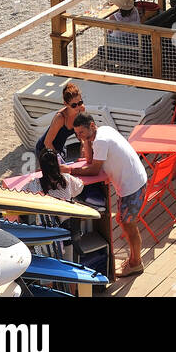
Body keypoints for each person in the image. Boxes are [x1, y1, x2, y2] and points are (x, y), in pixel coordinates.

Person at [69, 115, 148, 277]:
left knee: (129, 226)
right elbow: (90, 159)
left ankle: (136, 264)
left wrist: (68, 170)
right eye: (76, 134)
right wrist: (85, 139)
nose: (79, 136)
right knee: (123, 221)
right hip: (134, 181)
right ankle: (134, 260)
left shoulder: (100, 141)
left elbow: (93, 170)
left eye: (82, 132)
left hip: (131, 186)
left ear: (92, 125)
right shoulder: (104, 130)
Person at [35, 81, 86, 159]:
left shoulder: (81, 109)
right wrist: (58, 159)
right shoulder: (60, 118)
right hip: (45, 148)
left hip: (60, 147)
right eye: (74, 105)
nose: (78, 107)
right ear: (66, 104)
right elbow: (47, 142)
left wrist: (83, 145)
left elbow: (79, 131)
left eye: (80, 102)